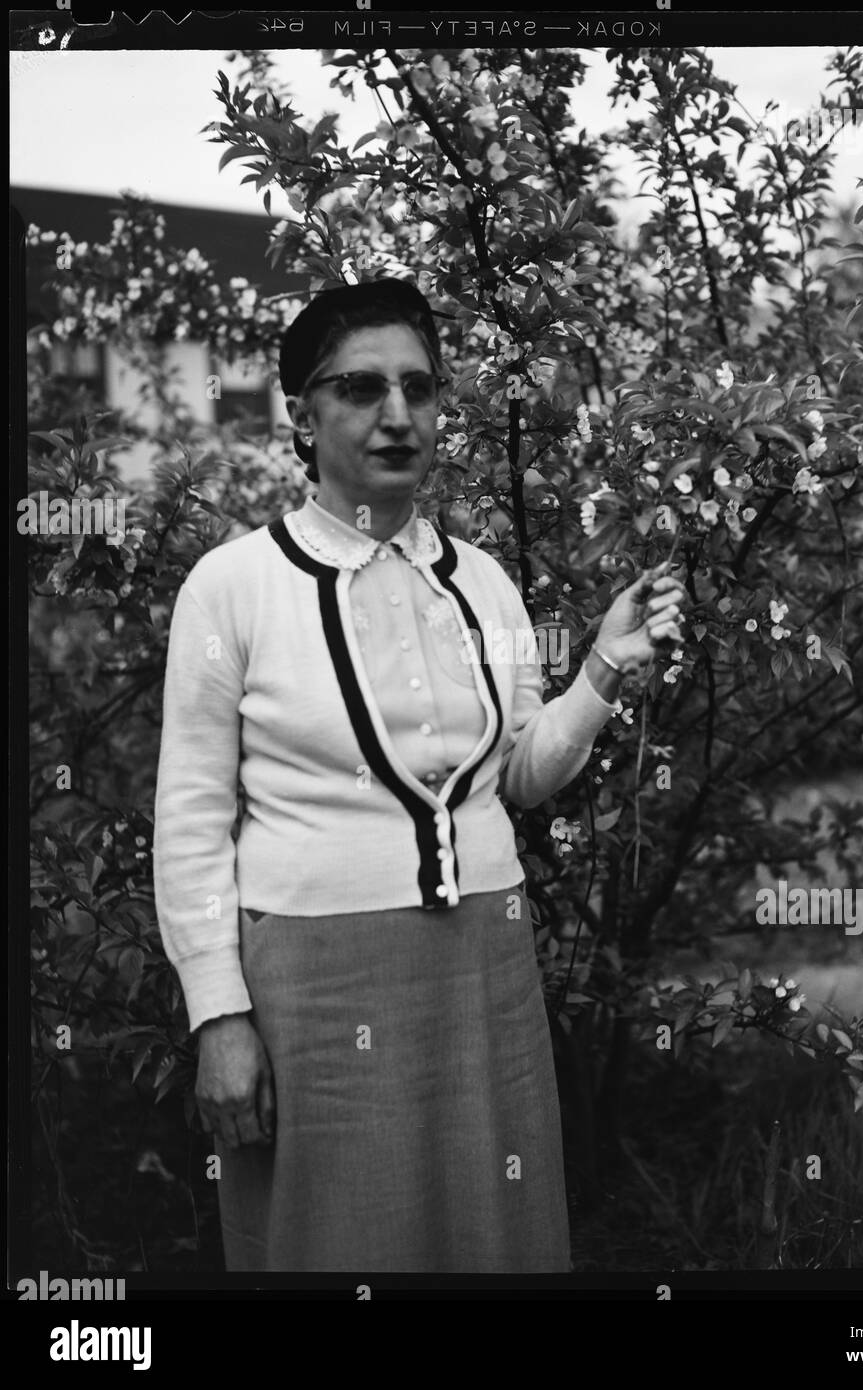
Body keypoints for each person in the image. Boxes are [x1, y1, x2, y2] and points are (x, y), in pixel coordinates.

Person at [153, 276, 687, 1273]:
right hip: (313, 987)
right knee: (339, 1239)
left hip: (486, 971)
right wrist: (218, 1013)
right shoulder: (231, 586)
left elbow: (524, 772)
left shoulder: (482, 582)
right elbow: (188, 819)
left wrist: (604, 666)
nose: (396, 414)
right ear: (303, 415)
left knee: (492, 1234)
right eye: (359, 389)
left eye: (419, 387)